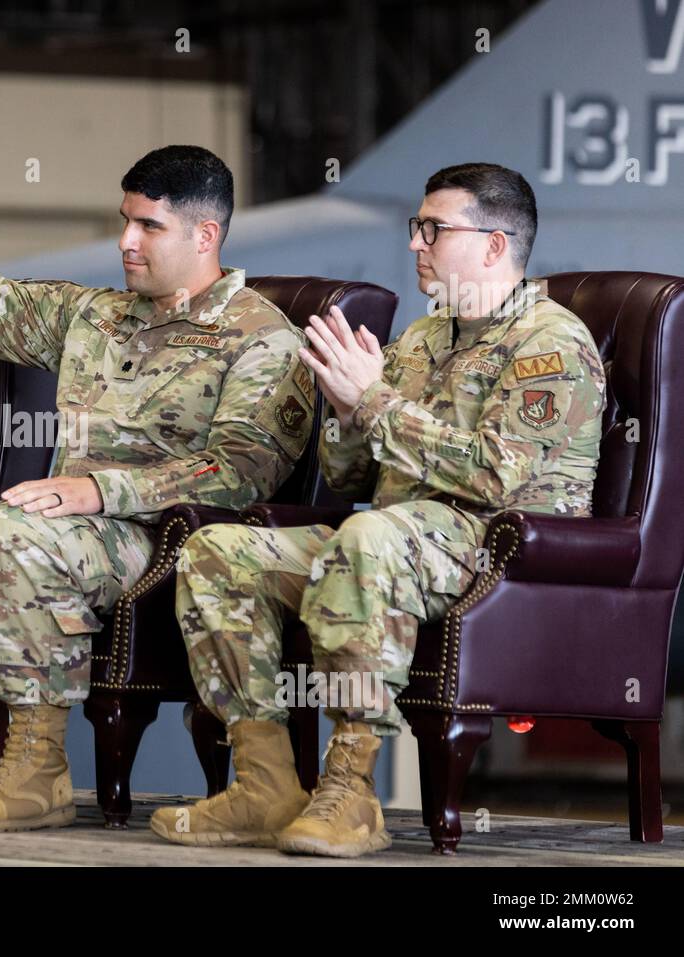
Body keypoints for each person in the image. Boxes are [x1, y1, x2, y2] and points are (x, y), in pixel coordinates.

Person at [0, 73, 314, 832]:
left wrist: (101, 492)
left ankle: (36, 769)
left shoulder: (262, 338)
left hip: (164, 539)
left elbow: (239, 471)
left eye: (149, 227)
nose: (125, 241)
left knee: (19, 529)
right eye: (124, 220)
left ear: (205, 235)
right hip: (63, 530)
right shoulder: (92, 315)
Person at [153, 163, 605, 857]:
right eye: (415, 227)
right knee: (218, 551)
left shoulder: (551, 343)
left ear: (493, 245)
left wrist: (375, 402)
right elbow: (352, 474)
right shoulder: (424, 339)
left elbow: (497, 473)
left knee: (369, 537)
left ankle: (349, 788)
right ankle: (264, 781)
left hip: (497, 550)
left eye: (434, 229)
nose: (416, 243)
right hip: (394, 539)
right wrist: (342, 412)